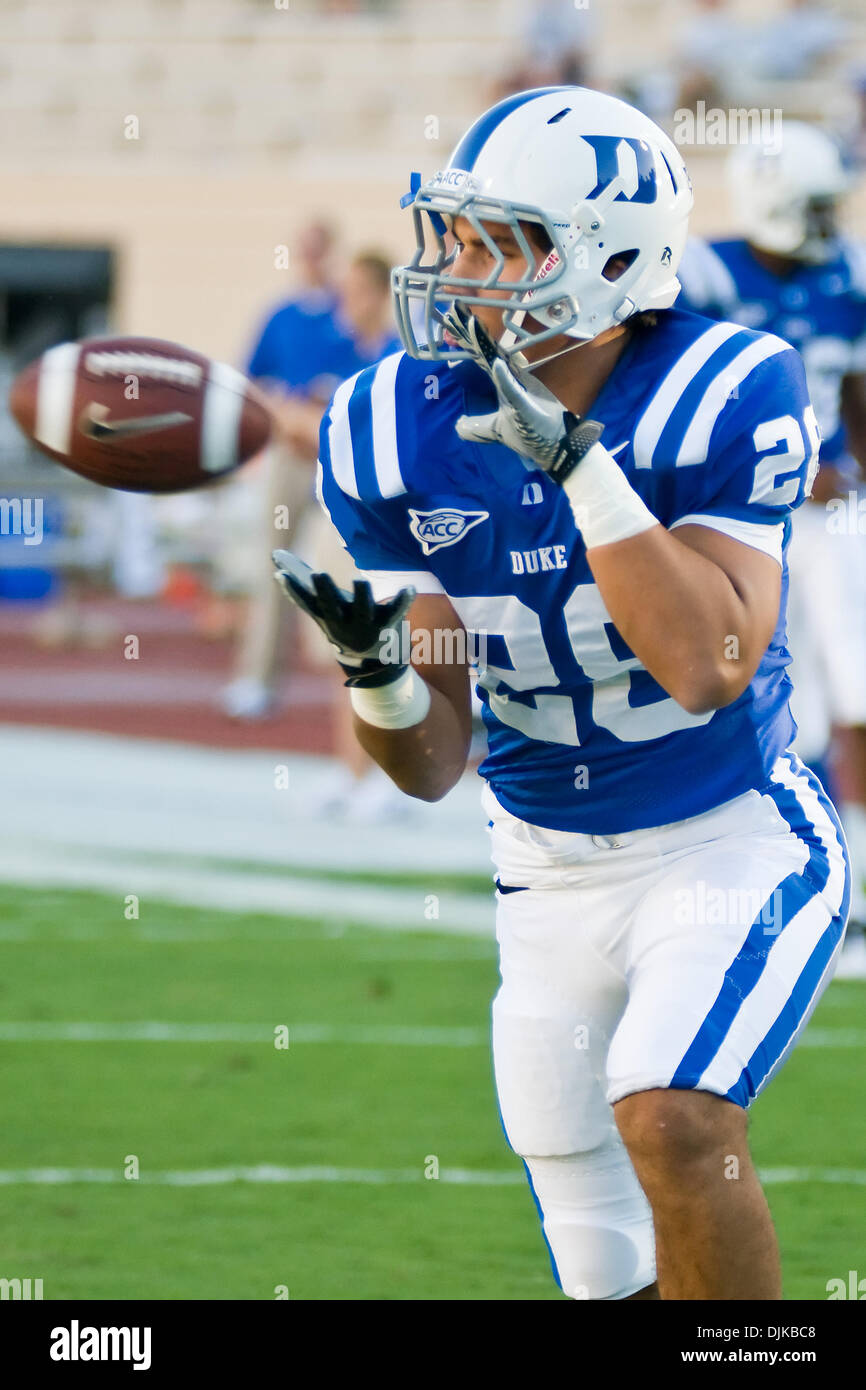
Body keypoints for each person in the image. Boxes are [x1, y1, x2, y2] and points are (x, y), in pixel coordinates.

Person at [273, 87, 850, 1300]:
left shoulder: (722, 382)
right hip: (541, 867)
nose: (459, 270)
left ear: (606, 258)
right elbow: (432, 763)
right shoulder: (391, 423)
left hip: (725, 835)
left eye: (501, 242)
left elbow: (707, 667)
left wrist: (580, 473)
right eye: (457, 236)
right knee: (600, 1266)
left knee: (673, 1117)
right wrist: (378, 674)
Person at [676, 122, 866, 977]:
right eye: (817, 203)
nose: (831, 220)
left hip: (836, 523)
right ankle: (777, 876)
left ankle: (843, 876)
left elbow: (858, 389)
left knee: (851, 695)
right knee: (773, 700)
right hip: (745, 521)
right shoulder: (706, 274)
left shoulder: (847, 273)